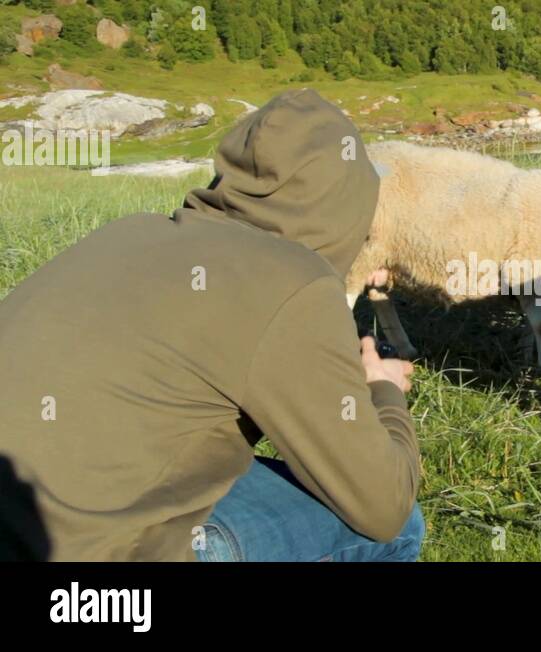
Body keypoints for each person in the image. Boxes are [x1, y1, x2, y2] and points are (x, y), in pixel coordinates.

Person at [0, 89, 423, 561]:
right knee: (399, 526)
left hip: (30, 519)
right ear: (346, 202)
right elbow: (382, 507)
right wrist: (383, 391)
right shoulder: (290, 284)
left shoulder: (127, 233)